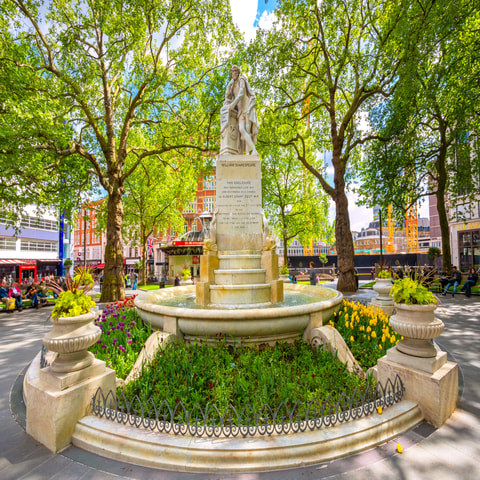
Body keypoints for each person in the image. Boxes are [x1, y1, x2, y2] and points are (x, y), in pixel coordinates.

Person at [221, 65, 259, 155]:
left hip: (247, 108)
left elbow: (241, 93)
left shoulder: (242, 80)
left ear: (238, 72)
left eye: (235, 71)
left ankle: (249, 153)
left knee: (247, 130)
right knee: (242, 129)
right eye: (232, 72)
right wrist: (229, 85)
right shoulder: (233, 86)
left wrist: (232, 104)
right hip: (240, 112)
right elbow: (227, 97)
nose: (234, 73)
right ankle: (253, 150)